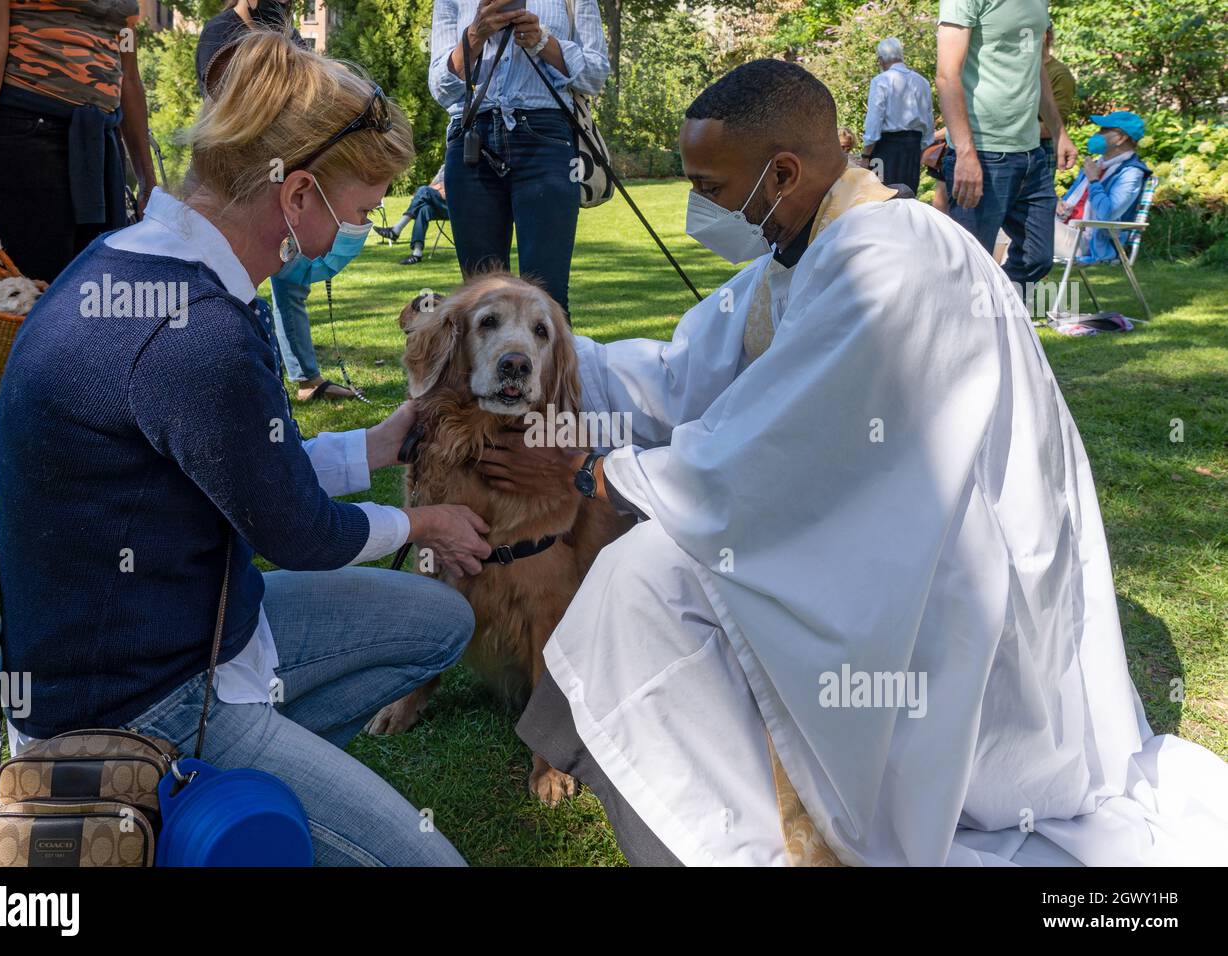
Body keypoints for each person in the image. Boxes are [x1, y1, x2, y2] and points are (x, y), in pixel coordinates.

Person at [479, 59, 1228, 866]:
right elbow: (680, 373)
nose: (704, 208)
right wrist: (531, 354)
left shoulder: (891, 254)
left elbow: (791, 440)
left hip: (941, 577)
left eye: (711, 185)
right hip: (873, 532)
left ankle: (741, 834)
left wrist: (596, 474)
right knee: (650, 576)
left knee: (645, 578)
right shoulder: (807, 253)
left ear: (784, 172)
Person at [0, 31, 495, 866]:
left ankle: (258, 789)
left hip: (176, 635)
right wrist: (422, 523)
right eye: (361, 212)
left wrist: (372, 444)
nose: (357, 233)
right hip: (140, 706)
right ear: (298, 195)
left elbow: (239, 461)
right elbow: (298, 533)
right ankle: (189, 800)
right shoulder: (197, 333)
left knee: (437, 618)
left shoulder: (127, 263)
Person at [197, 0, 356, 402]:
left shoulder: (286, 28)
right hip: (239, 180)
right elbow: (231, 111)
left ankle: (304, 381)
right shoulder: (221, 32)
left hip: (285, 171)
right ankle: (231, 379)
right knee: (232, 279)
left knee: (290, 280)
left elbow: (313, 98)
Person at [0, 0, 155, 284]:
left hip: (99, 146)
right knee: (19, 302)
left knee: (90, 302)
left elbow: (129, 76)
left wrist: (147, 180)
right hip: (21, 137)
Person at [428, 0, 610, 315]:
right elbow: (441, 88)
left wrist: (543, 41)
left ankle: (552, 366)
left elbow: (594, 76)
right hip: (472, 141)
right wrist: (475, 35)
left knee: (547, 300)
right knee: (480, 304)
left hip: (545, 138)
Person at [936, 0, 1077, 289]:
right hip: (983, 152)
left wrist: (1058, 131)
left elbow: (1036, 68)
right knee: (971, 266)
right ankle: (965, 327)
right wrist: (965, 153)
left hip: (1031, 154)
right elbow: (947, 75)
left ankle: (996, 315)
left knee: (1036, 259)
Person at [1056, 111, 1151, 264]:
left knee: (1023, 225)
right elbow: (1072, 201)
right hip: (1067, 229)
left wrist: (1094, 180)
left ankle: (1012, 286)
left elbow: (1107, 214)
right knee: (1014, 222)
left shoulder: (1132, 173)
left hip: (1090, 243)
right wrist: (1059, 204)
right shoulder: (1096, 164)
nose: (1097, 134)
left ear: (1121, 138)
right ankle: (1011, 287)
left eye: (1103, 130)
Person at [860, 37, 933, 194]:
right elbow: (928, 121)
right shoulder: (922, 82)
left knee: (881, 195)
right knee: (908, 196)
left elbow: (875, 120)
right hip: (913, 148)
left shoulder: (881, 81)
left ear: (880, 60)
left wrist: (866, 155)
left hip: (886, 148)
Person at [375, 163, 449, 264]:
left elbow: (451, 190)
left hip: (454, 207)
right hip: (441, 204)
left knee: (423, 190)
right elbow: (431, 186)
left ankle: (396, 229)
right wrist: (438, 188)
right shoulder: (444, 167)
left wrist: (439, 188)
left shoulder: (462, 165)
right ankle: (416, 254)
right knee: (423, 209)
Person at [1039, 23, 1076, 154]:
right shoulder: (1018, 68)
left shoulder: (1059, 73)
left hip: (1041, 149)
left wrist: (1007, 130)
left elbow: (1053, 127)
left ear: (1043, 36)